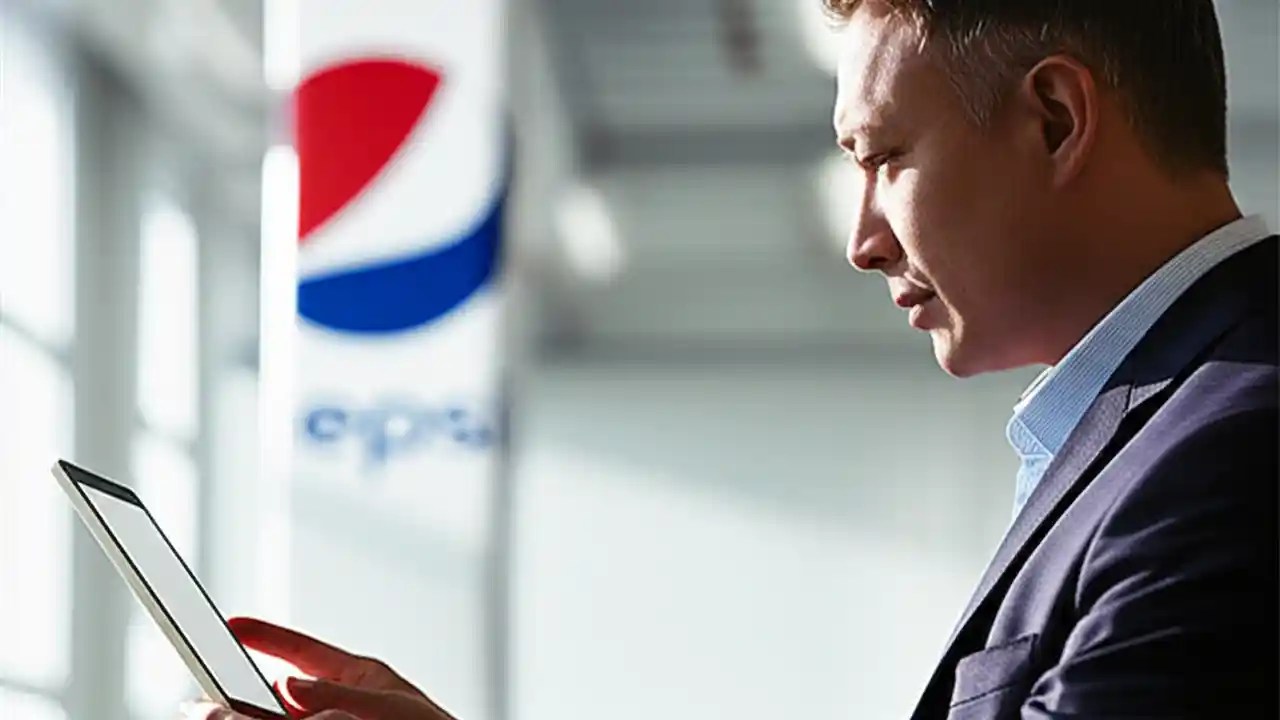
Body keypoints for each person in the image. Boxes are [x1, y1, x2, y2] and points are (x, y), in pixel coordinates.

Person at [188, 0, 1278, 718]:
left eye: (884, 157)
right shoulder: (1179, 425)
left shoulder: (1233, 446)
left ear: (1051, 118)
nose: (864, 240)